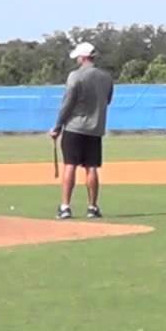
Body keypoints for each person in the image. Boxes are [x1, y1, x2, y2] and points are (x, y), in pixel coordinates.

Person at [49, 42, 115, 220]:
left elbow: (67, 103)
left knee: (70, 165)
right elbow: (107, 100)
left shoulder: (75, 76)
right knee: (91, 167)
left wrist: (57, 126)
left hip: (74, 127)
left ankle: (65, 207)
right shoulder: (106, 77)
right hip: (95, 128)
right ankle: (92, 207)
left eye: (78, 57)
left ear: (83, 57)